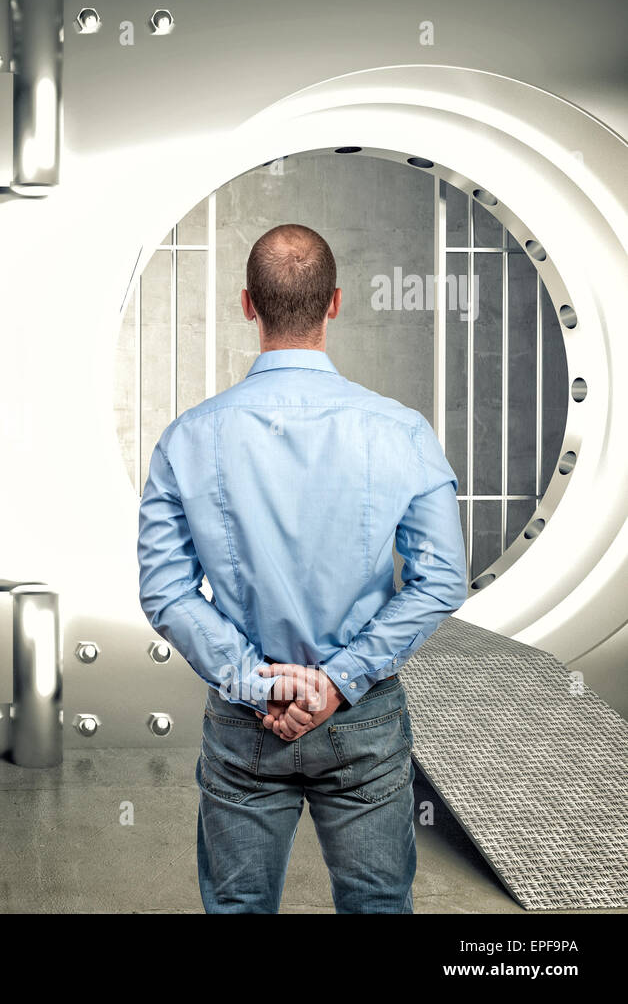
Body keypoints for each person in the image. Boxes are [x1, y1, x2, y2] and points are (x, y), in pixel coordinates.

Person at [137, 223, 467, 913]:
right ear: (335, 303)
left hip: (243, 720)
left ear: (248, 304)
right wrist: (338, 681)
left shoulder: (188, 437)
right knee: (377, 905)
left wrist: (258, 683)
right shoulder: (401, 429)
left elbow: (167, 590)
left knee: (238, 909)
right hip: (364, 717)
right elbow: (440, 579)